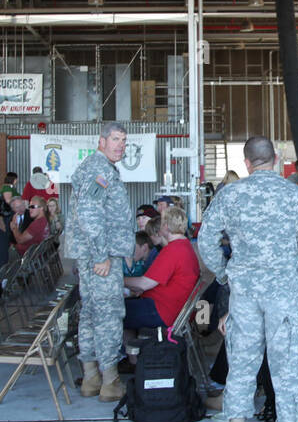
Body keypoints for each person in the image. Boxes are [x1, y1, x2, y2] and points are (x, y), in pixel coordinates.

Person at [198, 135, 298, 422]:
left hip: (245, 295)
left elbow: (205, 240)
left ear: (246, 163)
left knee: (241, 363)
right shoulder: (295, 195)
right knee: (286, 367)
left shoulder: (231, 194)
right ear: (275, 159)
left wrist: (226, 274)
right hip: (285, 295)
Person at [69, 123, 137, 404]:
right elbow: (89, 214)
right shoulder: (99, 170)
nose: (120, 145)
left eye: (124, 140)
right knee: (108, 315)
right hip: (101, 257)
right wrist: (101, 257)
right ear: (101, 141)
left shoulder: (101, 168)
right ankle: (110, 381)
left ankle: (90, 376)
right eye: (115, 139)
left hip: (97, 254)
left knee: (91, 313)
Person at [124, 206, 200, 331]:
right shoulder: (184, 246)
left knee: (110, 312)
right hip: (170, 307)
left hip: (162, 310)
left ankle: (119, 350)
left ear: (166, 227)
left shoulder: (173, 250)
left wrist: (118, 280)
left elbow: (144, 284)